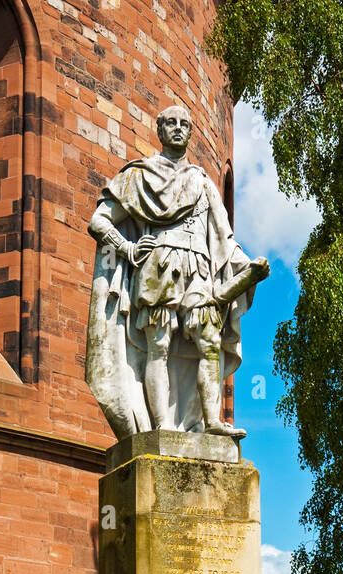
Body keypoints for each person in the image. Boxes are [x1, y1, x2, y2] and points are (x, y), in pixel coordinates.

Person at [86, 104, 270, 439]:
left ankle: (211, 421)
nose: (177, 128)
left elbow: (223, 238)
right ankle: (163, 427)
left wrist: (246, 267)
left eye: (184, 124)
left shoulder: (202, 182)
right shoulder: (137, 177)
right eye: (170, 123)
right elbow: (98, 220)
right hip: (159, 267)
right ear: (159, 129)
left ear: (190, 132)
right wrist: (126, 248)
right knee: (159, 345)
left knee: (210, 343)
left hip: (199, 270)